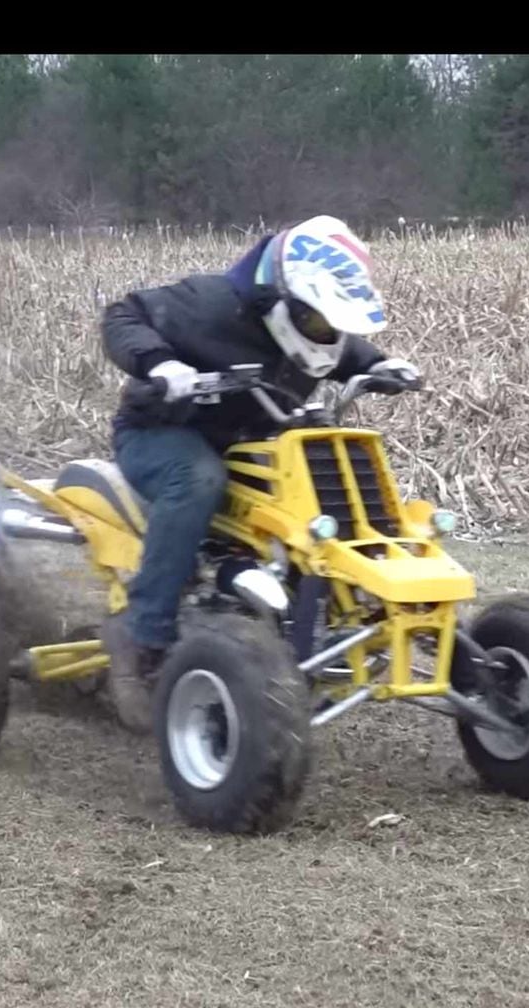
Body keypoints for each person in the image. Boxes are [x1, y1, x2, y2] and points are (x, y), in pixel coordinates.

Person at [98, 214, 419, 723]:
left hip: (253, 436)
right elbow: (123, 315)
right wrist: (163, 366)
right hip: (162, 434)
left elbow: (337, 346)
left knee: (321, 488)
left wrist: (375, 364)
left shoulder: (309, 325)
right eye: (318, 319)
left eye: (331, 322)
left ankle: (315, 617)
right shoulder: (209, 305)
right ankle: (144, 639)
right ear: (281, 300)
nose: (327, 331)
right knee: (198, 479)